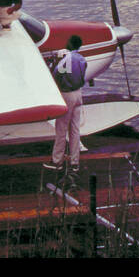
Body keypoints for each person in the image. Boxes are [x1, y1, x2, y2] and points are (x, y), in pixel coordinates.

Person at [44, 35, 87, 174]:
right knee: (75, 129)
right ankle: (75, 163)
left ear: (70, 43)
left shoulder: (67, 59)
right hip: (78, 94)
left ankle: (57, 161)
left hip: (67, 95)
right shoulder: (81, 59)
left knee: (61, 129)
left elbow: (57, 74)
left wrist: (55, 63)